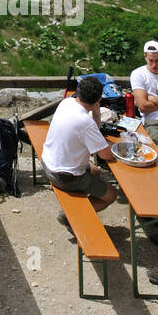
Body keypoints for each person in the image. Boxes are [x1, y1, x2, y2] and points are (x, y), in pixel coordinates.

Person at [41, 75, 117, 218]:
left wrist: (96, 112)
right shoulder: (85, 122)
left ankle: (82, 202)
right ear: (98, 100)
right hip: (64, 177)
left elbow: (94, 130)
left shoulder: (66, 102)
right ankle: (70, 215)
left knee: (95, 171)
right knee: (112, 194)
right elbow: (105, 155)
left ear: (78, 91)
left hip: (48, 163)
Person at [129, 42, 158, 285]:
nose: (154, 64)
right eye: (150, 60)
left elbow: (148, 100)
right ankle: (151, 206)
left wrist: (156, 99)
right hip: (154, 124)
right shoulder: (138, 74)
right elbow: (143, 106)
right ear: (145, 57)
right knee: (156, 162)